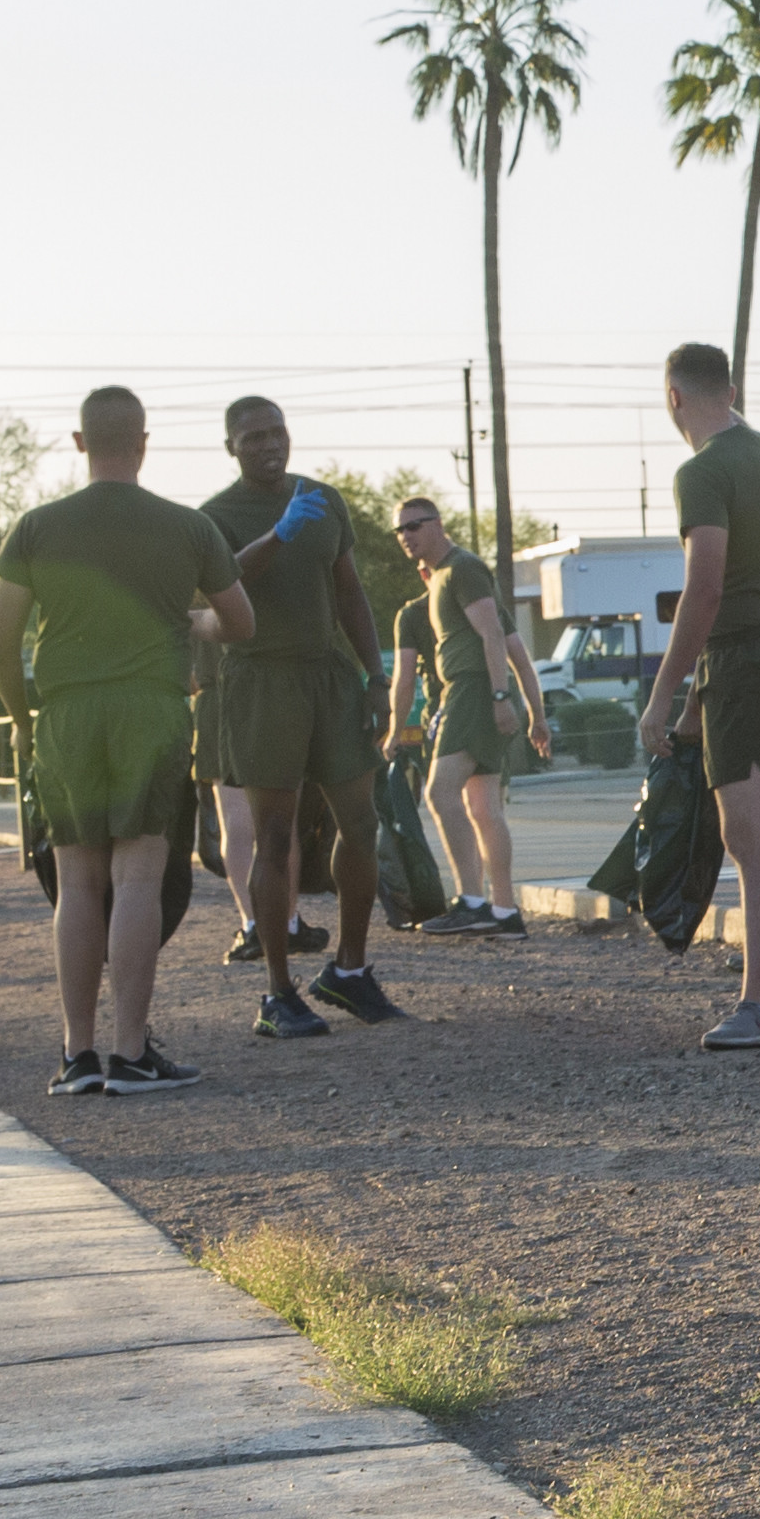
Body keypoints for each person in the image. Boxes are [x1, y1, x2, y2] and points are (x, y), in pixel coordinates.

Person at [0, 387, 252, 1096]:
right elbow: (241, 623)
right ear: (143, 442)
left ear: (79, 443)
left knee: (76, 881)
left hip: (67, 715)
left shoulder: (36, 528)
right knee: (138, 877)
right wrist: (195, 624)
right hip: (151, 710)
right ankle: (131, 1051)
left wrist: (22, 718)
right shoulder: (187, 527)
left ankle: (77, 1055)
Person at [200, 396, 400, 1038]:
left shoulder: (324, 499)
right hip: (261, 680)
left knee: (362, 823)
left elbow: (349, 591)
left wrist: (375, 672)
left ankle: (349, 968)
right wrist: (278, 533)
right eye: (252, 437)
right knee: (275, 835)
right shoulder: (214, 517)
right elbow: (218, 585)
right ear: (231, 446)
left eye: (276, 432)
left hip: (328, 675)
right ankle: (278, 993)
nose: (268, 444)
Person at [656, 344, 760, 1049]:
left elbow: (706, 586)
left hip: (746, 657)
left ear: (673, 397)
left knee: (749, 839)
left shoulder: (701, 470)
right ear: (729, 387)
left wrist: (664, 693)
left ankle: (757, 1005)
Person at [388, 496, 541, 937]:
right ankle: (504, 912)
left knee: (439, 794)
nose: (406, 536)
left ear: (438, 525)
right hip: (470, 692)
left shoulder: (462, 568)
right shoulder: (439, 580)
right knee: (483, 808)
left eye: (414, 526)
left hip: (472, 690)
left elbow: (494, 635)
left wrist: (498, 696)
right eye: (399, 530)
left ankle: (471, 901)